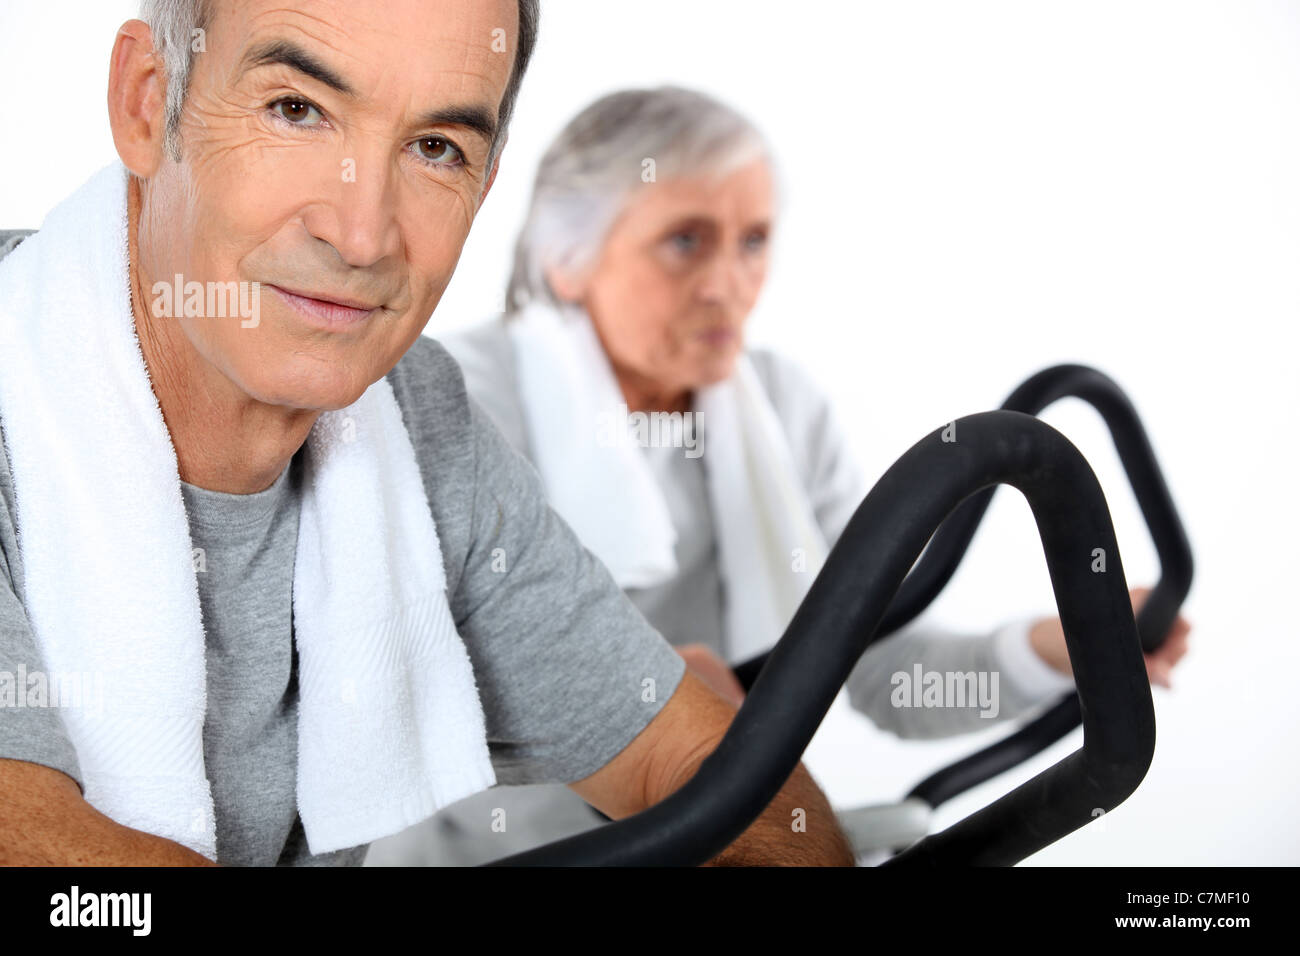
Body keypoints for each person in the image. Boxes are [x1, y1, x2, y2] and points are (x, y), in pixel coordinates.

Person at [0, 1, 855, 867]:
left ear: (486, 187)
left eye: (435, 148)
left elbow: (737, 788)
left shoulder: (414, 427)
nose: (363, 234)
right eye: (296, 109)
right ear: (148, 102)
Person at [365, 86, 1192, 864]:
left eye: (752, 241)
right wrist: (634, 697)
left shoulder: (784, 410)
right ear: (566, 258)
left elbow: (877, 668)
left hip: (710, 826)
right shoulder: (453, 399)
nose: (728, 285)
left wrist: (1056, 649)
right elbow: (374, 683)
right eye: (685, 240)